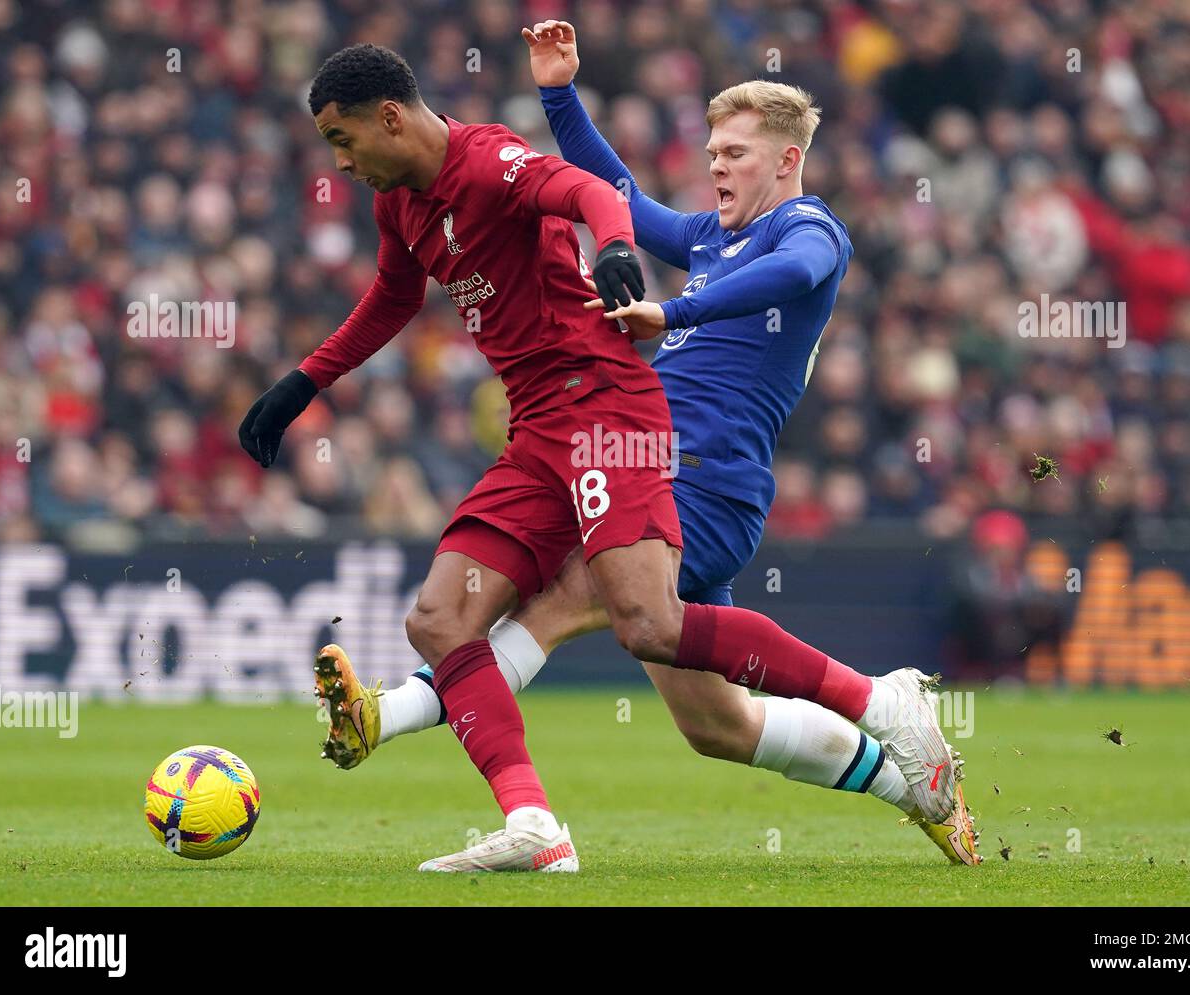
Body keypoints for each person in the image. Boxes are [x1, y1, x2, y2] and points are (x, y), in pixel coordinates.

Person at [241, 40, 971, 873]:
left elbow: (766, 263)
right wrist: (562, 99)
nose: (717, 167)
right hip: (587, 435)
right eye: (711, 153)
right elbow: (614, 190)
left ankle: (880, 699)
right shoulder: (707, 235)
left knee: (588, 607)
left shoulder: (807, 228)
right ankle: (911, 784)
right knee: (713, 723)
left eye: (733, 153)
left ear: (788, 159)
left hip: (688, 457)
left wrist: (674, 305)